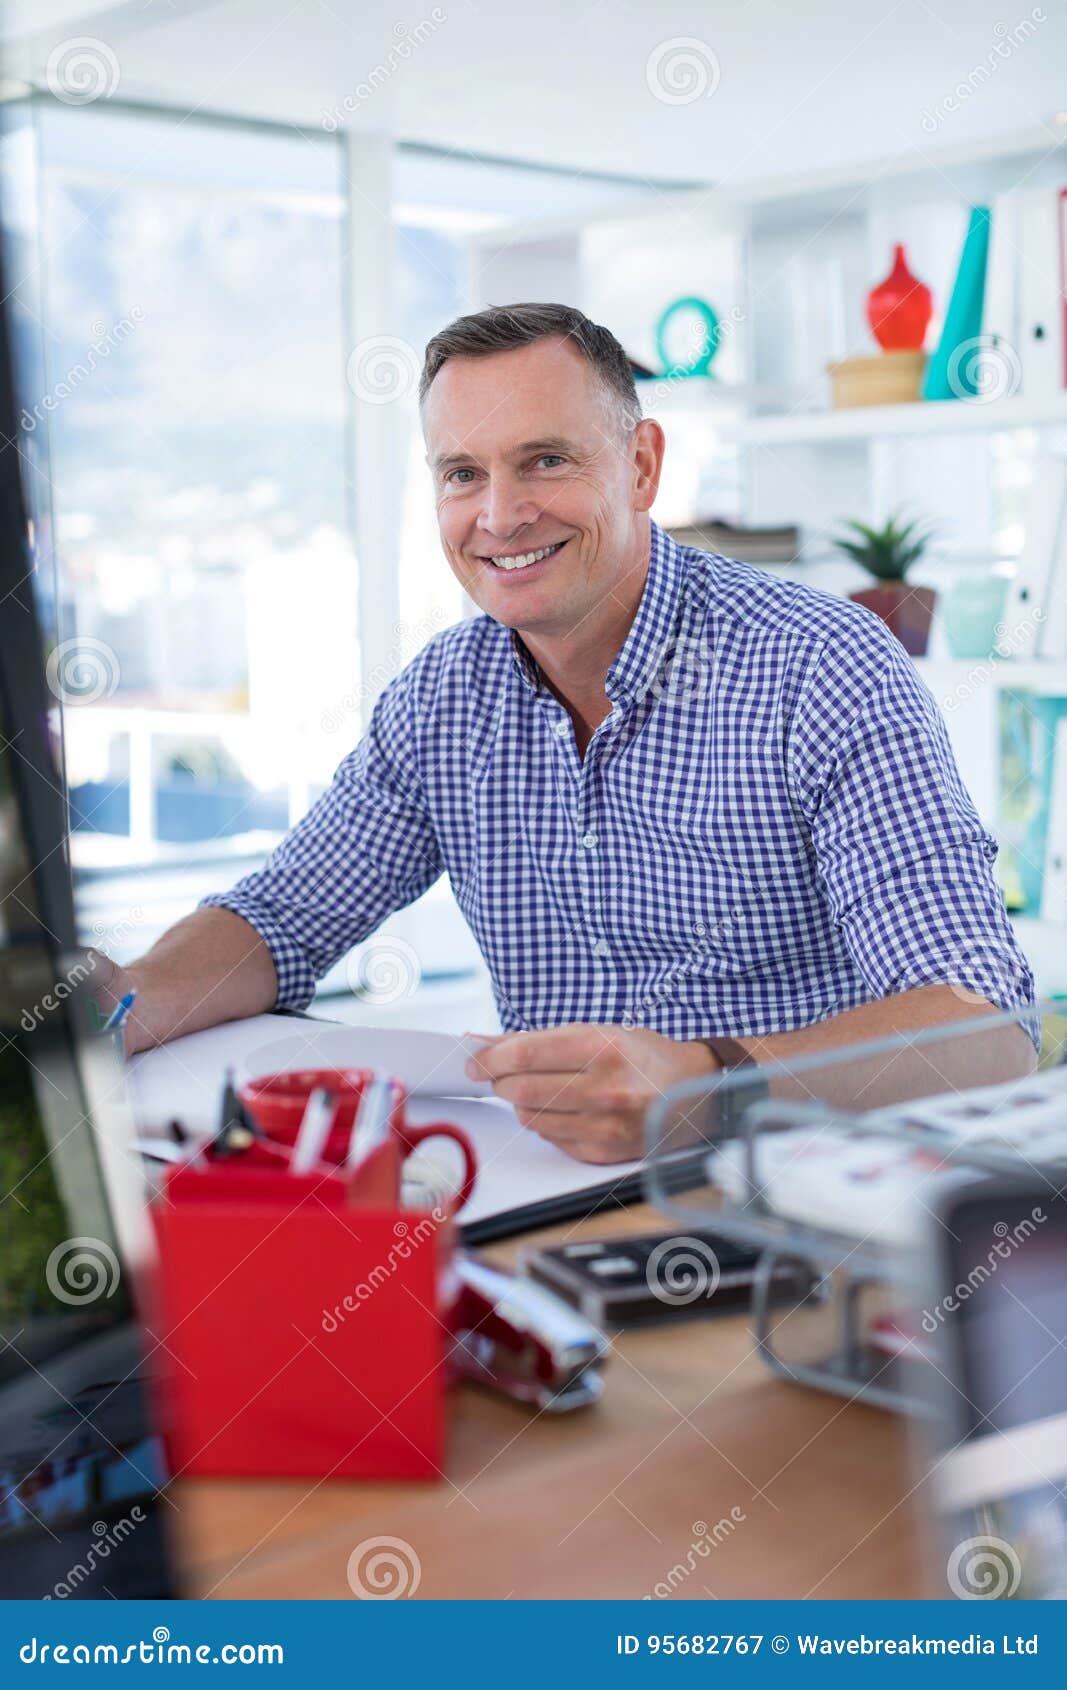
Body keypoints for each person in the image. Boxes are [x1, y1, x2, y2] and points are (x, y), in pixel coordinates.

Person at [93, 302, 1036, 1162]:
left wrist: (710, 1082)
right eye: (463, 473)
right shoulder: (443, 700)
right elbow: (281, 919)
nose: (499, 516)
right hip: (547, 1207)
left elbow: (983, 1031)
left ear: (640, 466)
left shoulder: (819, 665)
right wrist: (121, 1004)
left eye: (545, 460)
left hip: (808, 1197)